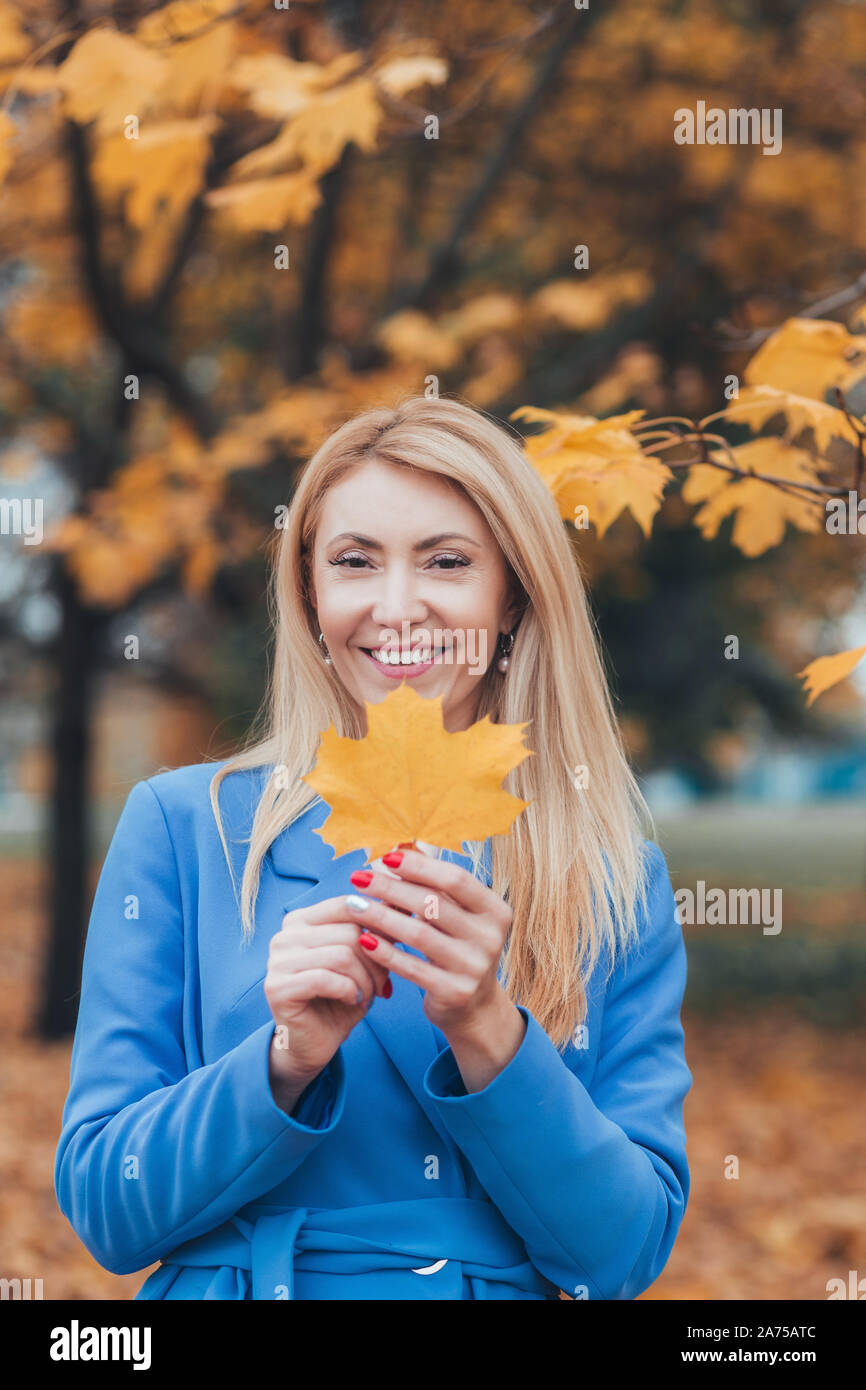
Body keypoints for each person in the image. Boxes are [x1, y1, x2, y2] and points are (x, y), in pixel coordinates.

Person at [54, 393, 692, 1300]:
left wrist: (488, 1032)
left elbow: (619, 1257)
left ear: (512, 596)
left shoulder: (609, 869)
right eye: (355, 561)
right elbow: (106, 1211)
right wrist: (281, 1065)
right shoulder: (185, 827)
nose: (398, 607)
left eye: (446, 561)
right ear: (311, 594)